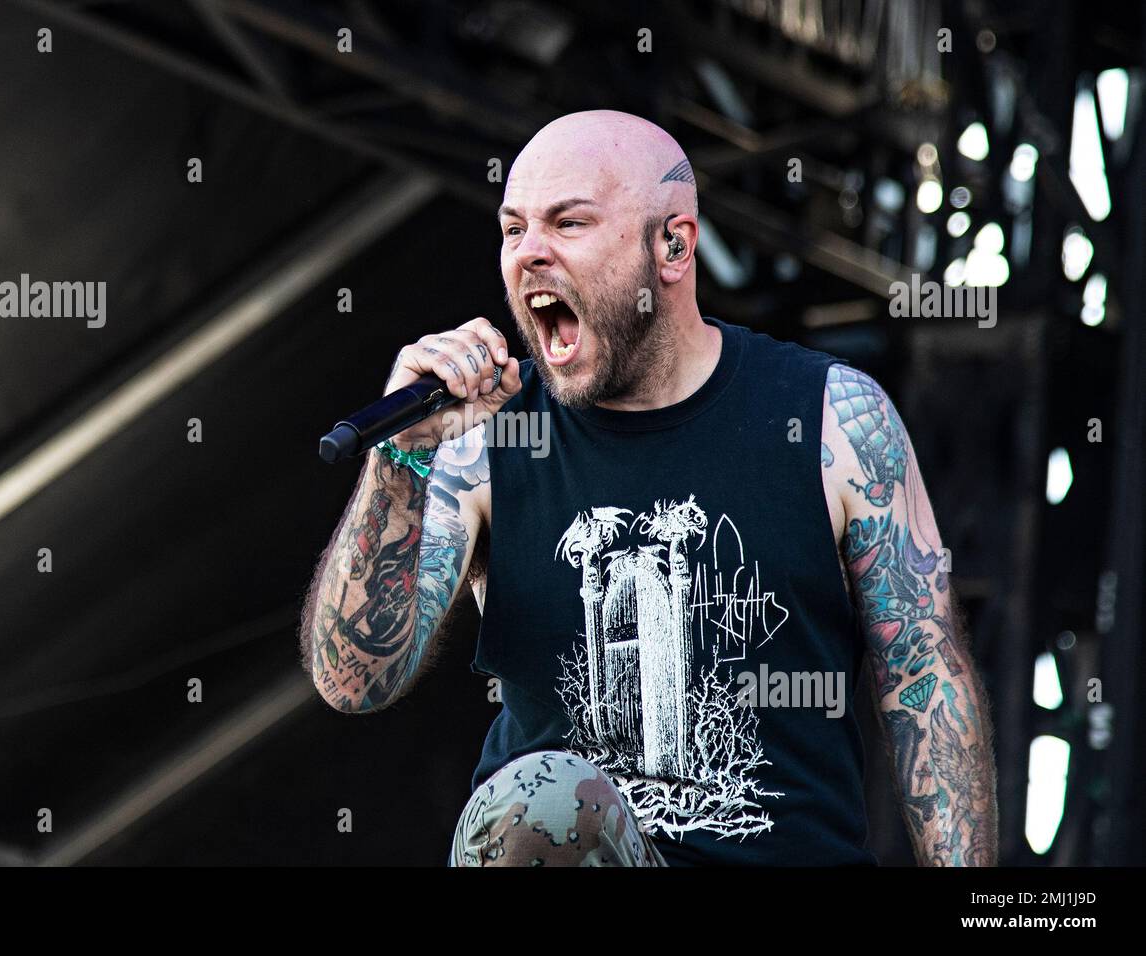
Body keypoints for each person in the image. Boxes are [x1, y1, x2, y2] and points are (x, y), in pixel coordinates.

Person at [300, 109, 998, 866]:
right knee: (540, 798)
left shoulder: (832, 418)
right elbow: (354, 681)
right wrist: (400, 461)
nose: (530, 254)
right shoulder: (481, 442)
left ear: (672, 246)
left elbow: (925, 674)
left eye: (567, 224)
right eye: (512, 230)